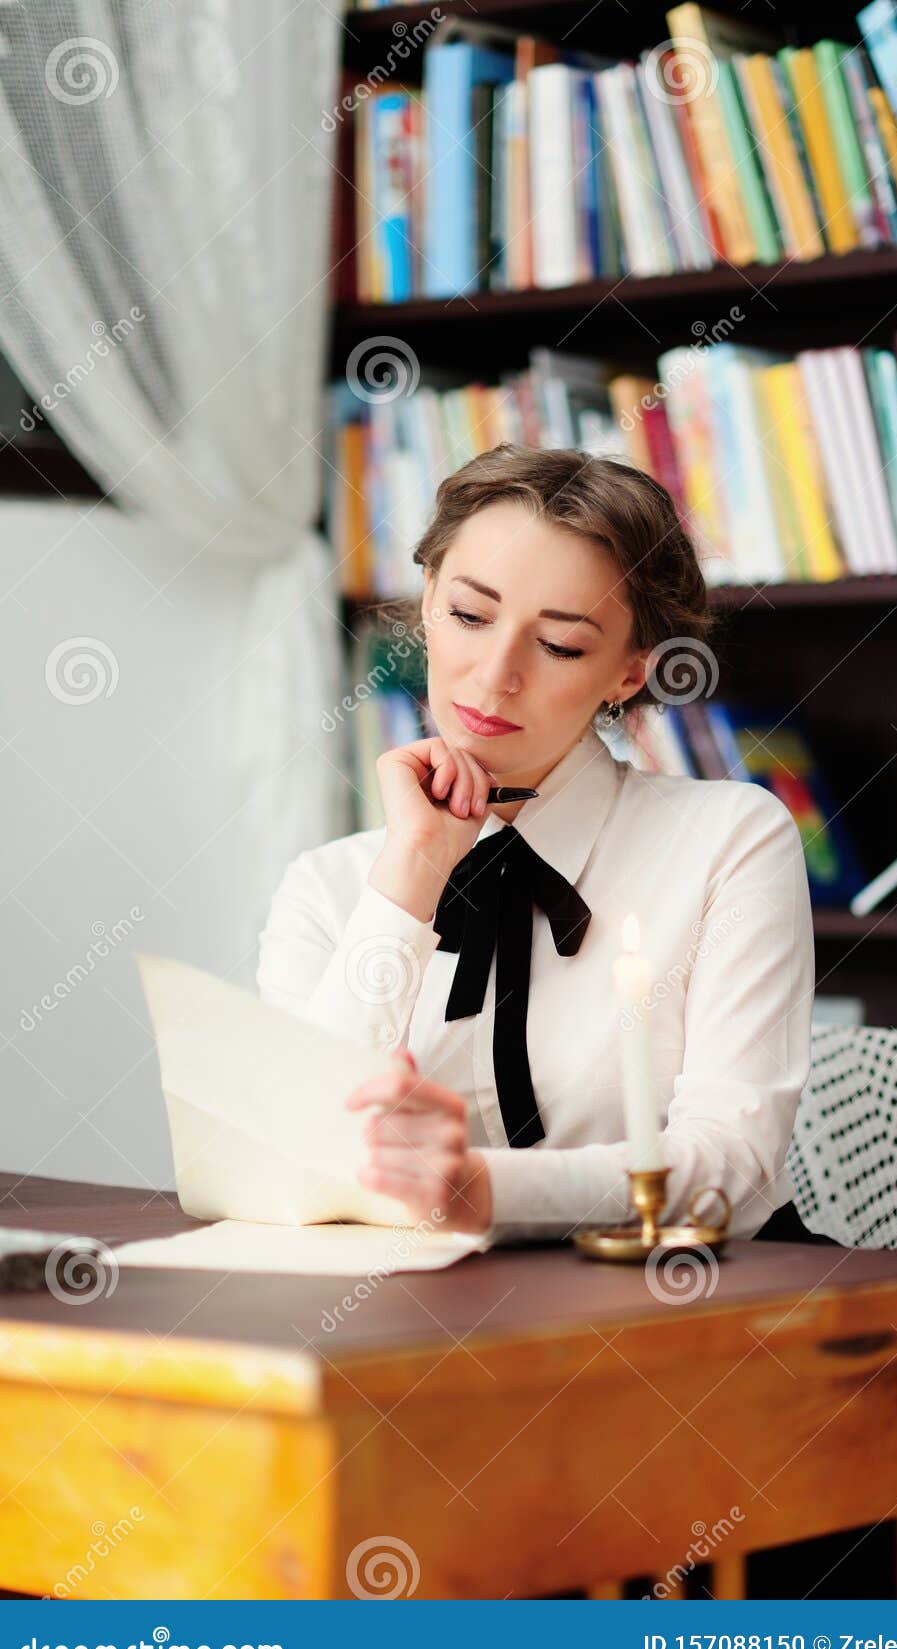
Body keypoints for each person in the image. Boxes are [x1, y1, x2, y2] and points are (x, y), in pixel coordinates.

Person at [256, 443, 815, 1245]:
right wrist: (412, 875)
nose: (493, 676)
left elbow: (734, 1161)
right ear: (425, 603)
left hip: (697, 1299)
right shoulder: (328, 886)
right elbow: (301, 1157)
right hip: (426, 1321)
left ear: (627, 673)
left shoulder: (728, 839)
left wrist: (481, 1189)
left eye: (558, 645)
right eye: (469, 616)